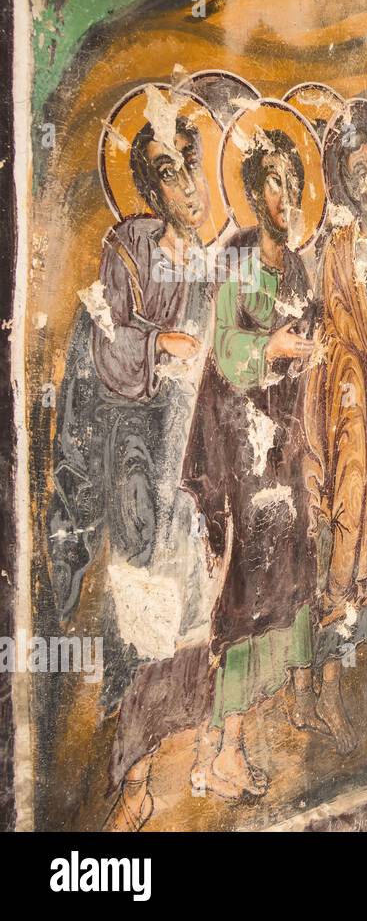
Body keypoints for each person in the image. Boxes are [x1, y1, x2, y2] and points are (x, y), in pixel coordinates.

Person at [49, 108, 218, 831]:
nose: (189, 187)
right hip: (128, 436)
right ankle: (129, 770)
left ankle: (165, 760)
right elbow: (103, 342)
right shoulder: (128, 246)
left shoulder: (210, 264)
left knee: (187, 592)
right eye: (171, 174)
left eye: (192, 167)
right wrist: (159, 349)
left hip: (184, 442)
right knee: (137, 583)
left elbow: (214, 359)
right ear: (151, 189)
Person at [183, 125, 321, 798]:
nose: (287, 195)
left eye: (294, 184)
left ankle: (222, 743)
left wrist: (303, 355)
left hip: (282, 434)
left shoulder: (296, 267)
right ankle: (225, 744)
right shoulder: (239, 256)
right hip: (236, 431)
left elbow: (306, 337)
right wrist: (273, 349)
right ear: (253, 191)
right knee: (247, 578)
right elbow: (226, 348)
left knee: (290, 567)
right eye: (275, 182)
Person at [304, 103, 367, 753]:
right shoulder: (336, 246)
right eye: (352, 161)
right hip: (345, 398)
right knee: (345, 530)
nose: (364, 169)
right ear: (342, 174)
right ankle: (327, 680)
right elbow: (331, 324)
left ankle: (363, 663)